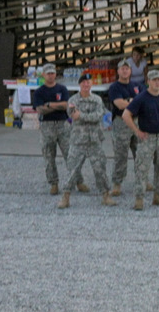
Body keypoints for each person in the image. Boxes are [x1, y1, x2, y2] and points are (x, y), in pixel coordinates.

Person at [57, 74, 116, 209]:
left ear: (91, 84)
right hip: (78, 140)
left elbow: (98, 116)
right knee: (72, 170)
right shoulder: (73, 100)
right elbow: (73, 115)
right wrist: (83, 116)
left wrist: (82, 115)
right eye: (83, 83)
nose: (86, 85)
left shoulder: (97, 99)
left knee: (100, 169)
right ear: (80, 85)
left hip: (94, 141)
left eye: (88, 82)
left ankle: (106, 195)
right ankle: (65, 197)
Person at [122, 69, 159, 210]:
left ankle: (158, 196)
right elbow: (126, 115)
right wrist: (136, 131)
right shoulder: (141, 98)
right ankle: (139, 199)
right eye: (154, 80)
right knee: (142, 169)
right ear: (148, 82)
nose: (157, 82)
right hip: (147, 138)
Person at [32, 63, 87, 195]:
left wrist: (50, 104)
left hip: (63, 125)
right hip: (47, 126)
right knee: (49, 156)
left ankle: (78, 181)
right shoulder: (39, 92)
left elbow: (66, 105)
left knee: (71, 155)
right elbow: (40, 110)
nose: (51, 76)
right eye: (48, 73)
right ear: (43, 75)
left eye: (52, 73)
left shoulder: (62, 89)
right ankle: (53, 183)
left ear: (55, 74)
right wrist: (58, 105)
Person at [108, 59, 144, 196]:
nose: (124, 71)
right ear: (117, 71)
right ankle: (117, 183)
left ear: (131, 71)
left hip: (137, 122)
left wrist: (129, 102)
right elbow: (120, 104)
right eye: (122, 68)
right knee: (121, 155)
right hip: (121, 123)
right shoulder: (114, 87)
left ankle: (142, 181)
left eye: (127, 69)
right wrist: (133, 102)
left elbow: (143, 102)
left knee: (140, 153)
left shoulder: (138, 86)